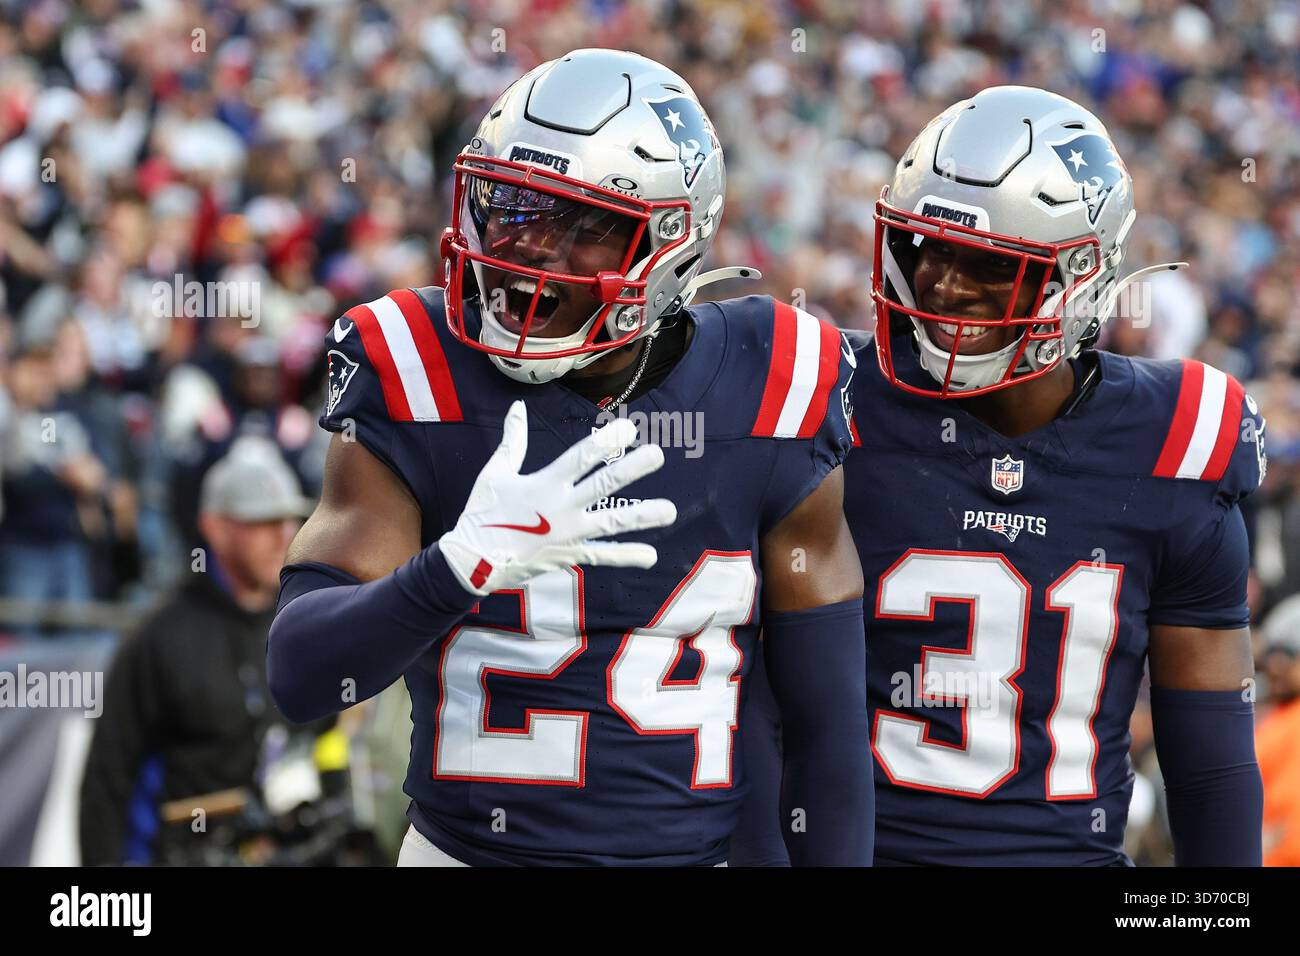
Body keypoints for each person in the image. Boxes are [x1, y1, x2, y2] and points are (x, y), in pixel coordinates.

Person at [267, 48, 872, 867]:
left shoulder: (775, 378)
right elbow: (302, 676)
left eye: (582, 226)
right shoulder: (412, 361)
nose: (532, 249)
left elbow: (825, 726)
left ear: (669, 245)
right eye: (513, 206)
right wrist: (455, 568)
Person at [734, 86, 1264, 866]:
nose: (943, 287)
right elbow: (753, 708)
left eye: (986, 264)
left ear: (1079, 277)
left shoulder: (1178, 438)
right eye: (926, 250)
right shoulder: (825, 394)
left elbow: (1210, 759)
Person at [79, 439, 311, 864]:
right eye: (263, 520)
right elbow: (108, 780)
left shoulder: (302, 622)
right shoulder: (158, 636)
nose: (284, 535)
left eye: (291, 519)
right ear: (215, 527)